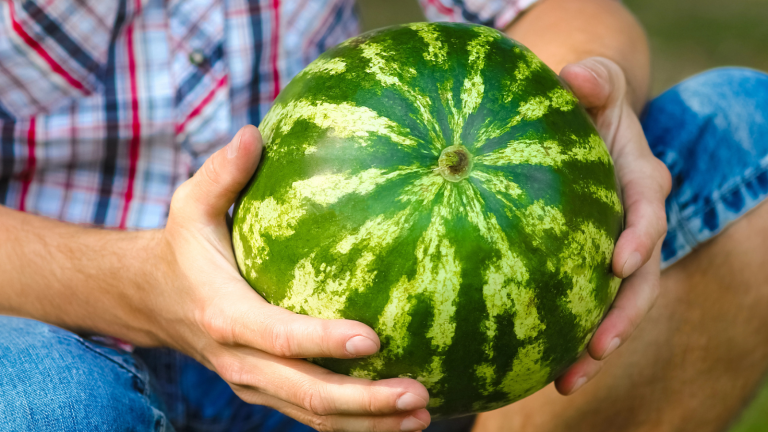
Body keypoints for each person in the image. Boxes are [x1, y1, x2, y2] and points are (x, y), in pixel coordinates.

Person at [0, 0, 766, 431]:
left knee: (750, 141)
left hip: (393, 359)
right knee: (46, 405)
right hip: (61, 332)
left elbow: (569, 13)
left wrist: (582, 109)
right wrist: (149, 289)